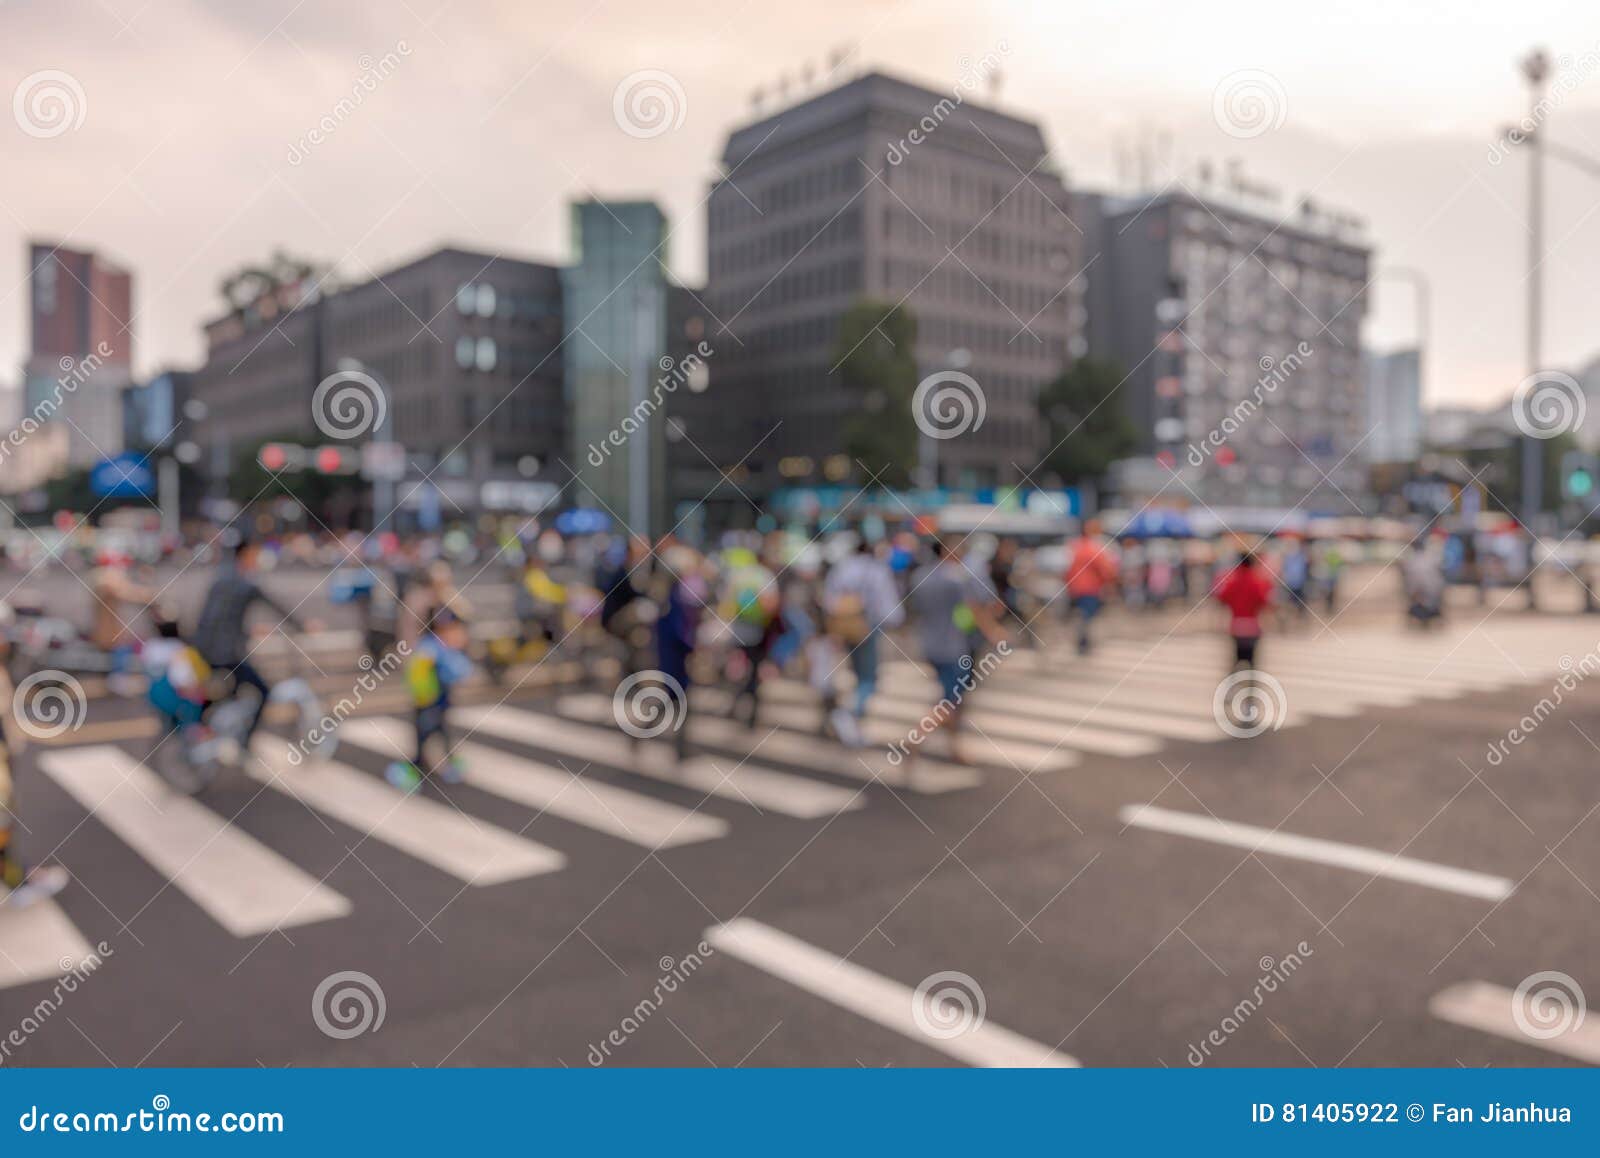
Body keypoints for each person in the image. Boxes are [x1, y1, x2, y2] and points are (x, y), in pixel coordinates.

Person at [190, 529, 313, 749]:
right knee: (263, 691)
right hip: (228, 655)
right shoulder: (246, 584)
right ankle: (245, 742)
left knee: (225, 693)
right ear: (246, 554)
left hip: (203, 650)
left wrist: (248, 632)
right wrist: (303, 626)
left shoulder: (219, 580)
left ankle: (209, 729)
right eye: (256, 554)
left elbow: (215, 620)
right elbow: (277, 606)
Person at [909, 539, 1002, 766]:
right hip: (952, 647)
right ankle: (916, 738)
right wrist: (993, 631)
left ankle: (954, 747)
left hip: (928, 644)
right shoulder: (956, 578)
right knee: (951, 701)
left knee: (952, 698)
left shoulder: (920, 576)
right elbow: (975, 606)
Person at [823, 536, 904, 745]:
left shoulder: (842, 567)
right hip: (869, 627)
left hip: (844, 626)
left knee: (855, 671)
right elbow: (889, 606)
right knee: (868, 677)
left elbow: (829, 598)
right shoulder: (877, 570)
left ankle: (847, 717)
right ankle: (850, 714)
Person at [386, 609, 473, 792]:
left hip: (437, 700)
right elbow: (422, 674)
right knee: (426, 733)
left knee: (440, 731)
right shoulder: (431, 648)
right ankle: (415, 767)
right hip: (428, 701)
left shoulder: (439, 646)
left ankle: (440, 761)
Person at [654, 546, 709, 761]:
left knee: (674, 700)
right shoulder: (673, 596)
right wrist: (691, 647)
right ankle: (679, 748)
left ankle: (679, 746)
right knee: (677, 700)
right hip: (674, 658)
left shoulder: (668, 594)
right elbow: (679, 631)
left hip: (671, 656)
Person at [718, 545, 780, 729]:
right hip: (757, 630)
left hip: (737, 629)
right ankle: (751, 712)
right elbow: (771, 604)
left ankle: (735, 702)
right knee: (753, 671)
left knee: (737, 667)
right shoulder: (765, 576)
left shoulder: (738, 575)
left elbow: (726, 601)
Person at [1214, 549, 1275, 671]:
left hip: (1236, 626)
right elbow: (1264, 601)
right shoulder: (1258, 580)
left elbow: (1222, 598)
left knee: (1236, 659)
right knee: (1252, 663)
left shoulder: (1232, 580)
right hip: (1253, 627)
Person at [1065, 520, 1119, 655]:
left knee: (1082, 614)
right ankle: (1083, 642)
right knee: (1087, 616)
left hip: (1075, 587)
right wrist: (1111, 581)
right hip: (1090, 588)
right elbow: (1106, 568)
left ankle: (1081, 641)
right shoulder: (1094, 547)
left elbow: (1067, 568)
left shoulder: (1074, 546)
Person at [1402, 538, 1446, 628]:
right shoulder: (1432, 557)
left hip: (1420, 592)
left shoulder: (1410, 559)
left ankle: (1422, 617)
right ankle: (1430, 617)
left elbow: (1409, 579)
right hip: (1432, 591)